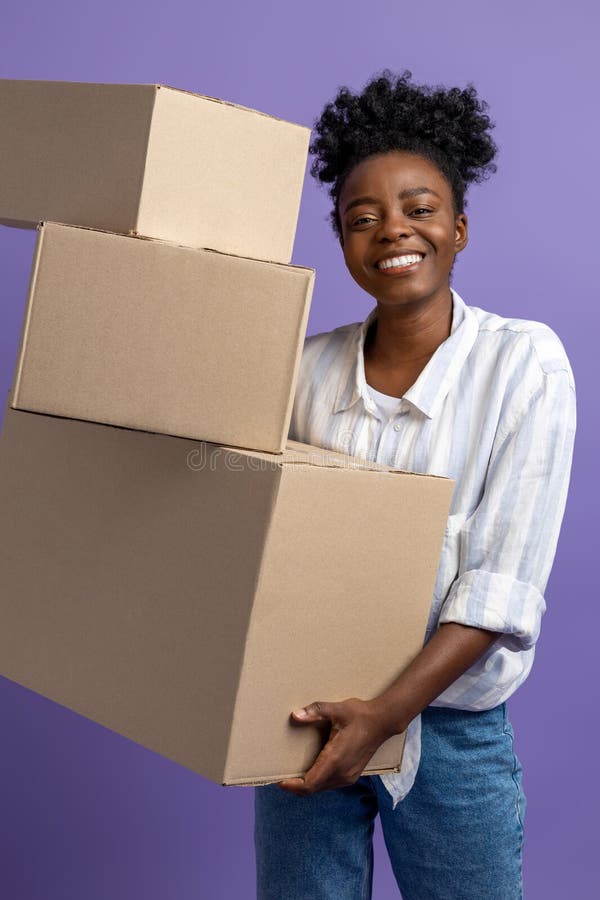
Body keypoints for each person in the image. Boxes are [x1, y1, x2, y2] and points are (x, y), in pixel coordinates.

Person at [253, 70, 576, 900]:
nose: (392, 230)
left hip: (452, 733)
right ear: (341, 240)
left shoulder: (524, 365)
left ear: (460, 228)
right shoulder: (304, 368)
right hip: (301, 718)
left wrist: (386, 714)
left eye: (419, 208)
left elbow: (500, 586)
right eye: (362, 219)